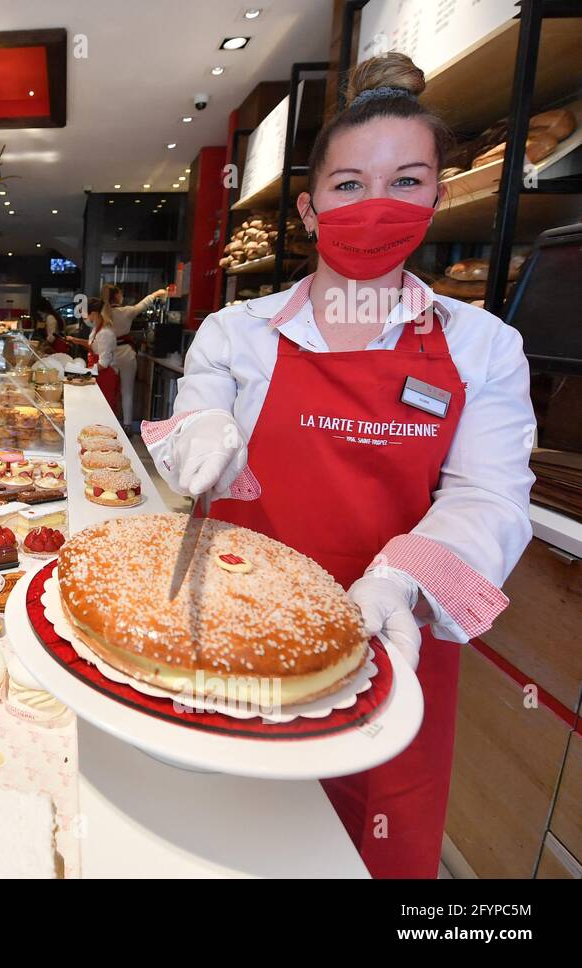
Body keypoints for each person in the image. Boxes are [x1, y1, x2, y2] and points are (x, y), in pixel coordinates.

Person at [140, 52, 534, 878]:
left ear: (435, 198)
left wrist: (399, 580)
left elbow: (491, 497)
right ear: (313, 209)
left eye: (408, 181)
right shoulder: (237, 330)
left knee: (367, 846)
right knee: (227, 835)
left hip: (391, 641)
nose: (376, 206)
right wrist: (197, 435)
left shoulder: (482, 347)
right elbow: (190, 418)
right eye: (350, 185)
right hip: (235, 629)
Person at [100, 282, 168, 423]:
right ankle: (127, 425)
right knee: (127, 392)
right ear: (118, 296)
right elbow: (143, 304)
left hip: (108, 355)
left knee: (108, 391)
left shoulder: (103, 314)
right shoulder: (127, 311)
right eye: (121, 294)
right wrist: (156, 293)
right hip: (126, 354)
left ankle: (107, 422)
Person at [85, 299, 121, 418]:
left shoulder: (105, 333)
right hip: (98, 374)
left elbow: (104, 363)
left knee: (105, 412)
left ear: (94, 314)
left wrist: (85, 373)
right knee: (96, 411)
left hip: (105, 376)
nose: (87, 317)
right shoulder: (97, 329)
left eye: (88, 314)